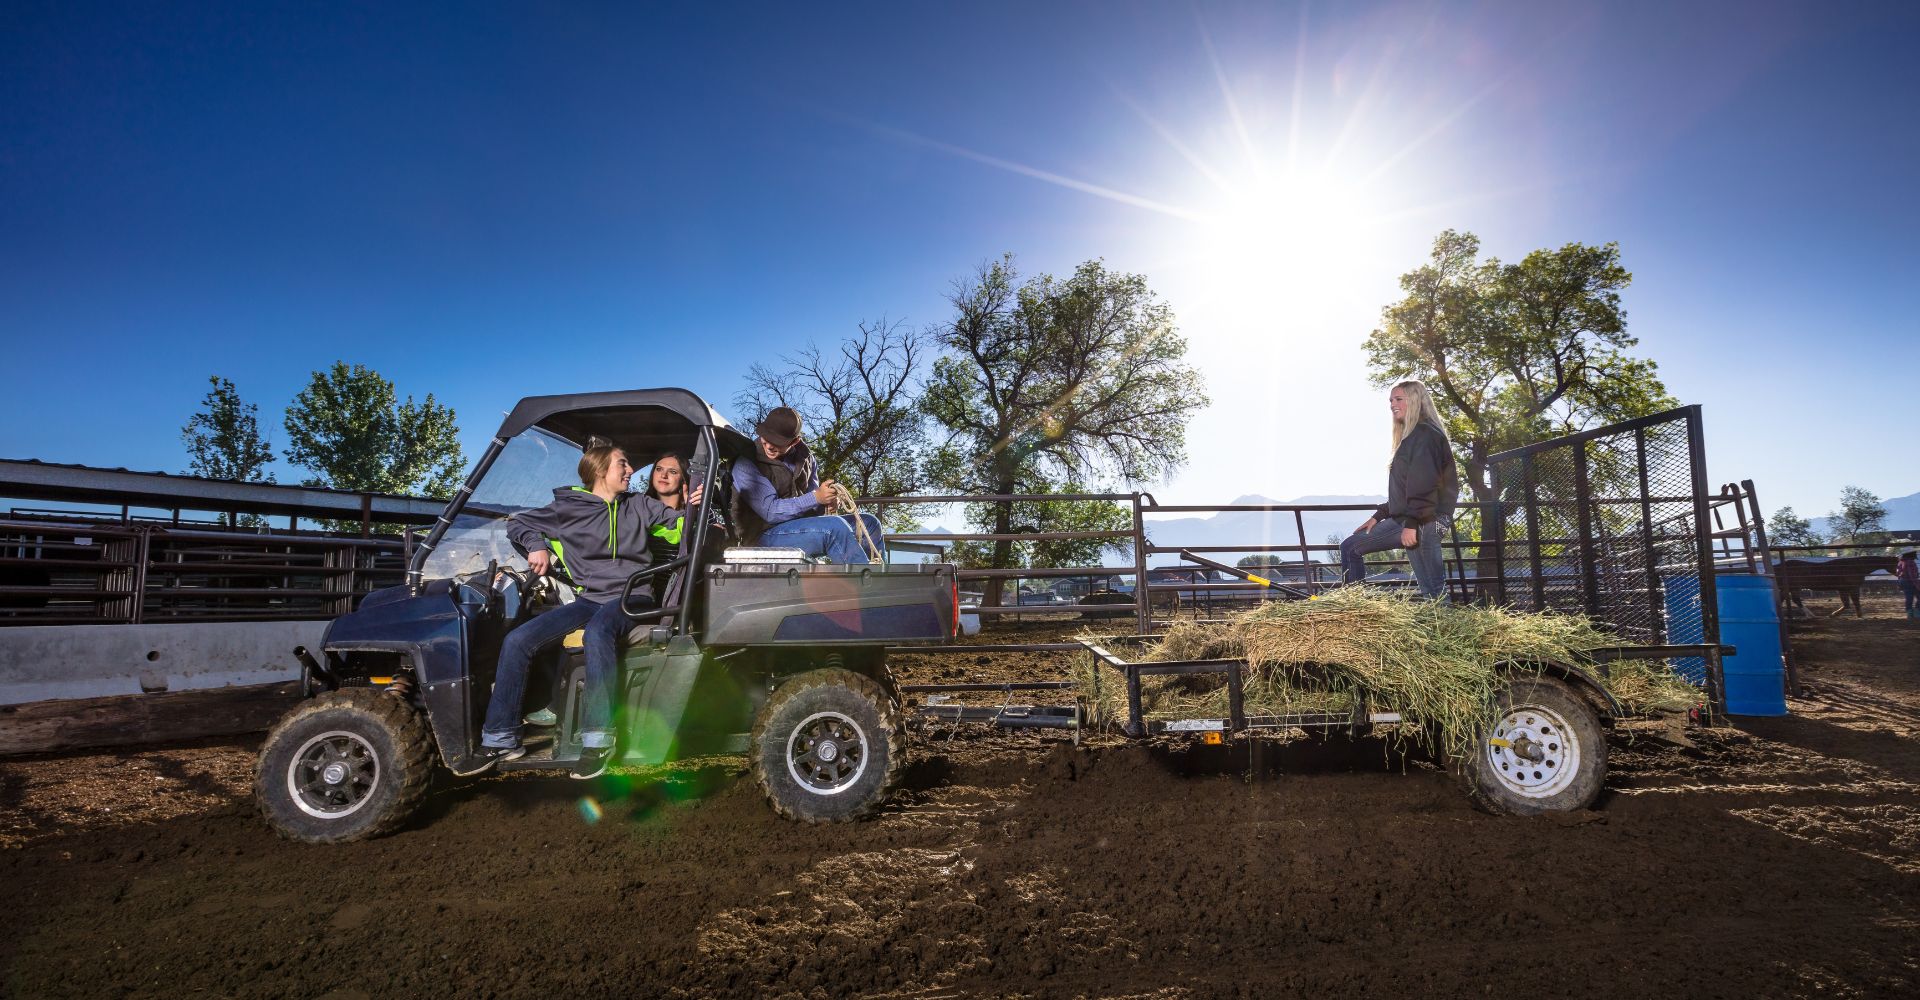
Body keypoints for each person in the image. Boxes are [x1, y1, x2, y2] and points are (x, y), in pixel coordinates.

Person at [468, 440, 702, 779]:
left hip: (631, 597)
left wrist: (693, 509)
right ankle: (501, 738)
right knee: (518, 640)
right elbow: (518, 523)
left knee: (598, 632)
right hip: (589, 598)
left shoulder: (638, 504)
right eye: (623, 464)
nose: (630, 470)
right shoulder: (568, 508)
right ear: (600, 471)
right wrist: (536, 546)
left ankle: (598, 740)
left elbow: (677, 526)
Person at [1341, 380, 1460, 600]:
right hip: (1412, 518)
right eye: (1391, 400)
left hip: (1425, 521)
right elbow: (1408, 488)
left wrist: (1412, 525)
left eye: (1398, 399)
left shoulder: (1425, 434)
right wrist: (1379, 515)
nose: (1392, 405)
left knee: (1433, 590)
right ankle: (1354, 607)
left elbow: (1425, 485)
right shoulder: (1413, 436)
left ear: (1414, 400)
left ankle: (1444, 621)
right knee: (1350, 547)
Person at [730, 405, 884, 564]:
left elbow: (813, 506)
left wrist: (826, 502)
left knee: (869, 523)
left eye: (777, 442)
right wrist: (816, 498)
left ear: (794, 441)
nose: (769, 445)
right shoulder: (746, 462)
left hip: (797, 528)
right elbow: (770, 511)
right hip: (761, 536)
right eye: (766, 437)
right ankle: (866, 579)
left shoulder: (806, 458)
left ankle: (879, 576)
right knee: (834, 528)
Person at [1897, 551, 1919, 620]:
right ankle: (1917, 613)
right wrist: (1918, 585)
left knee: (1909, 598)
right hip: (1910, 581)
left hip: (1903, 581)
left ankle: (1910, 614)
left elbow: (1898, 572)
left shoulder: (1901, 561)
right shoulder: (1910, 562)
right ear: (1911, 554)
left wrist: (1900, 583)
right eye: (1914, 553)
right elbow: (1912, 575)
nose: (1915, 554)